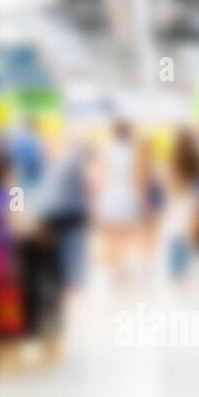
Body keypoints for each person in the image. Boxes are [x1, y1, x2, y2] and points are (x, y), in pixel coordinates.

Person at [90, 120, 143, 283]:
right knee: (126, 233)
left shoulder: (107, 150)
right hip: (128, 194)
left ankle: (115, 268)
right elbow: (137, 175)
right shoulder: (133, 151)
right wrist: (138, 196)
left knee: (111, 234)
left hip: (110, 194)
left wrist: (97, 198)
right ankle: (123, 266)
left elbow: (101, 176)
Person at [162, 128, 199, 281]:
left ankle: (174, 270)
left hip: (176, 200)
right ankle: (183, 270)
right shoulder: (195, 159)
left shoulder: (173, 160)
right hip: (191, 198)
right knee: (186, 235)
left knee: (174, 234)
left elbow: (168, 183)